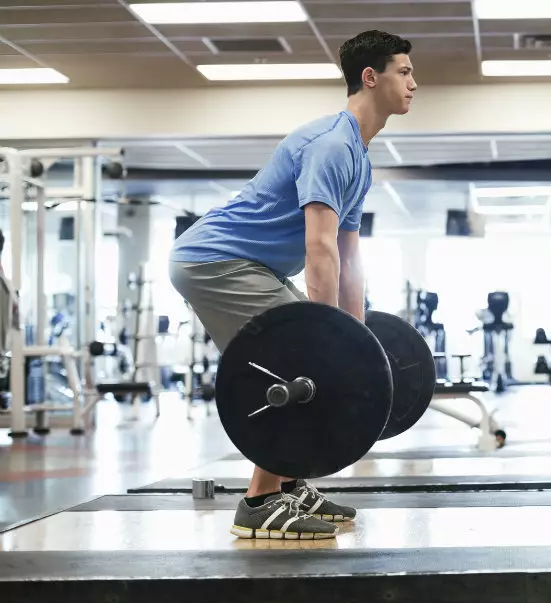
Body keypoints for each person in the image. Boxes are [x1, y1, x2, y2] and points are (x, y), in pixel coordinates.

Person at [169, 30, 417, 540]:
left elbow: (349, 255)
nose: (415, 83)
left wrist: (356, 335)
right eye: (405, 72)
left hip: (251, 266)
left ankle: (286, 484)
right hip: (214, 260)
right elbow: (320, 248)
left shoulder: (358, 156)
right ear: (371, 78)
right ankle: (259, 501)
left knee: (310, 359)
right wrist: (324, 342)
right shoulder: (330, 145)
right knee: (295, 362)